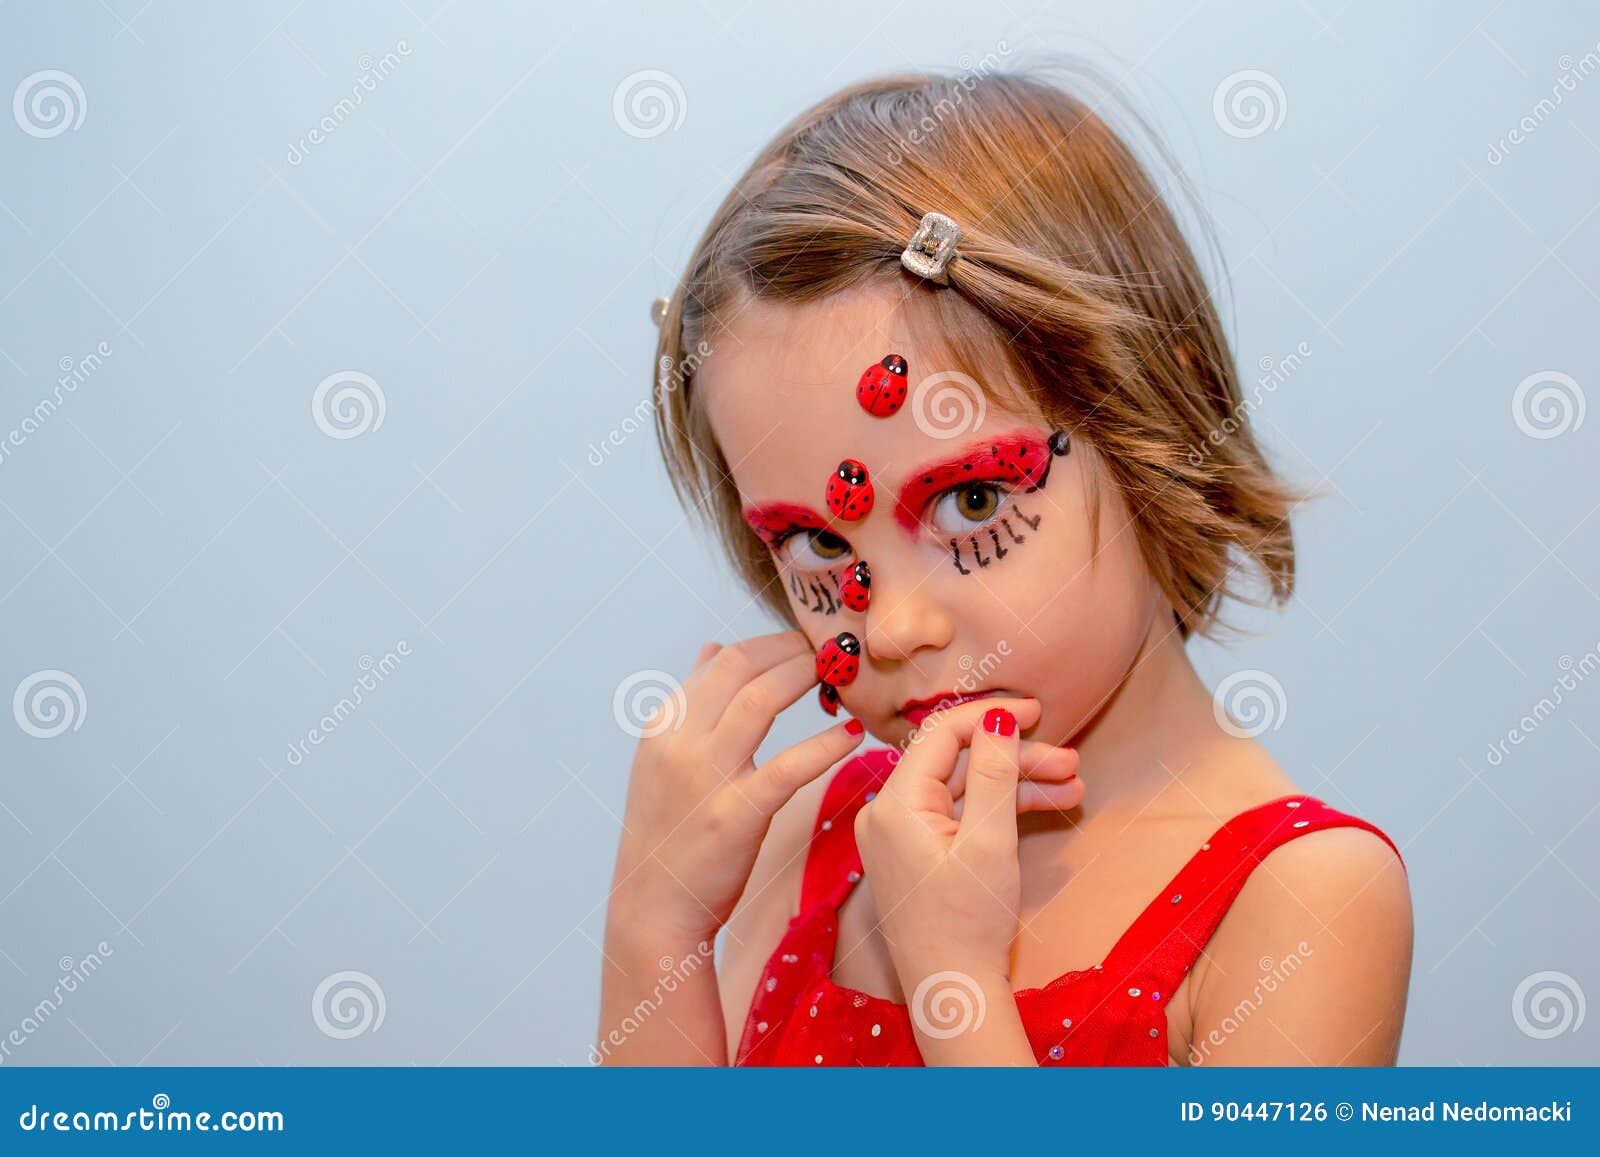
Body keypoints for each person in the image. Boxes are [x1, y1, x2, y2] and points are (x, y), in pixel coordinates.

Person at [597, 62, 1412, 1067]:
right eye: (819, 545)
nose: (892, 628)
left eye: (972, 502)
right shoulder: (806, 836)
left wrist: (953, 983)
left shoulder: (1306, 901)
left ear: (1155, 428)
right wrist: (653, 930)